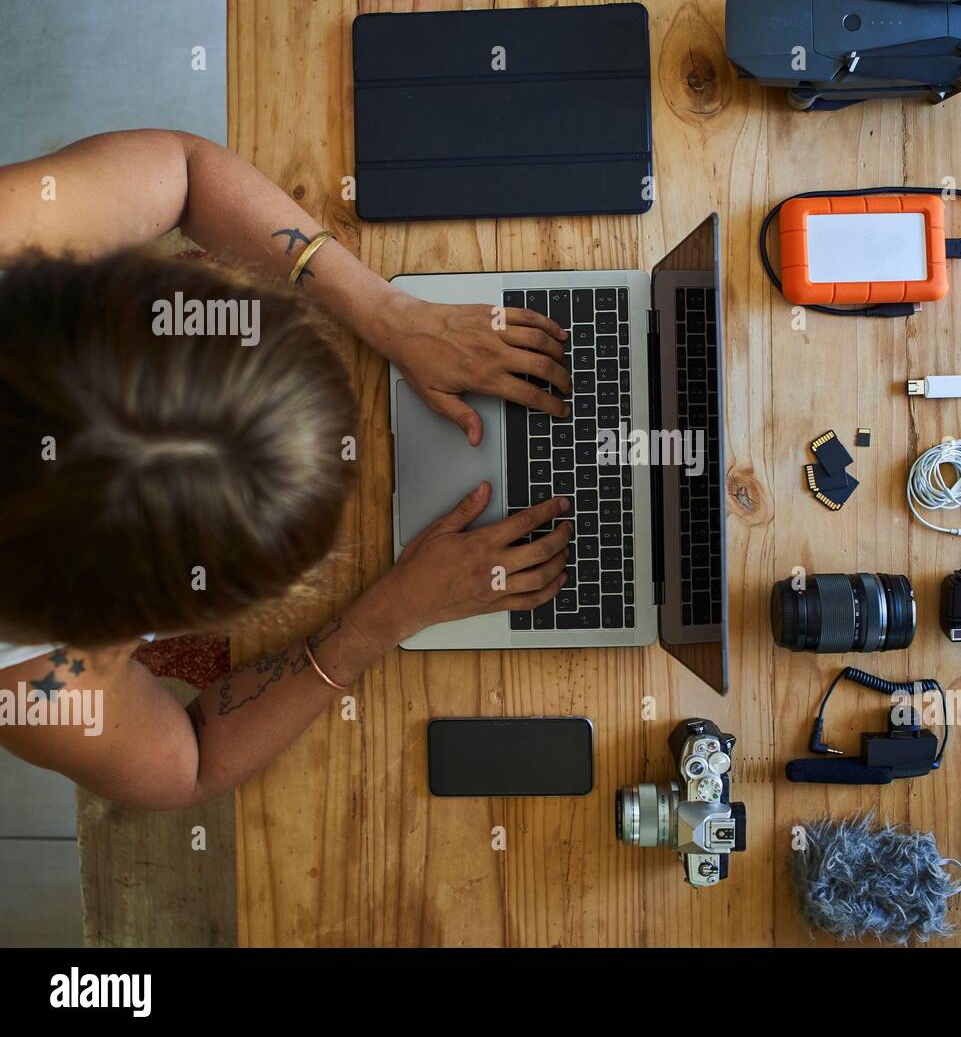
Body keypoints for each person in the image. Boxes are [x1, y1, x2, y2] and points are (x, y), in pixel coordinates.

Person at [0, 129, 572, 809]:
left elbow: (185, 172)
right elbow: (188, 769)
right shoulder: (34, 684)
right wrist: (379, 622)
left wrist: (389, 312)